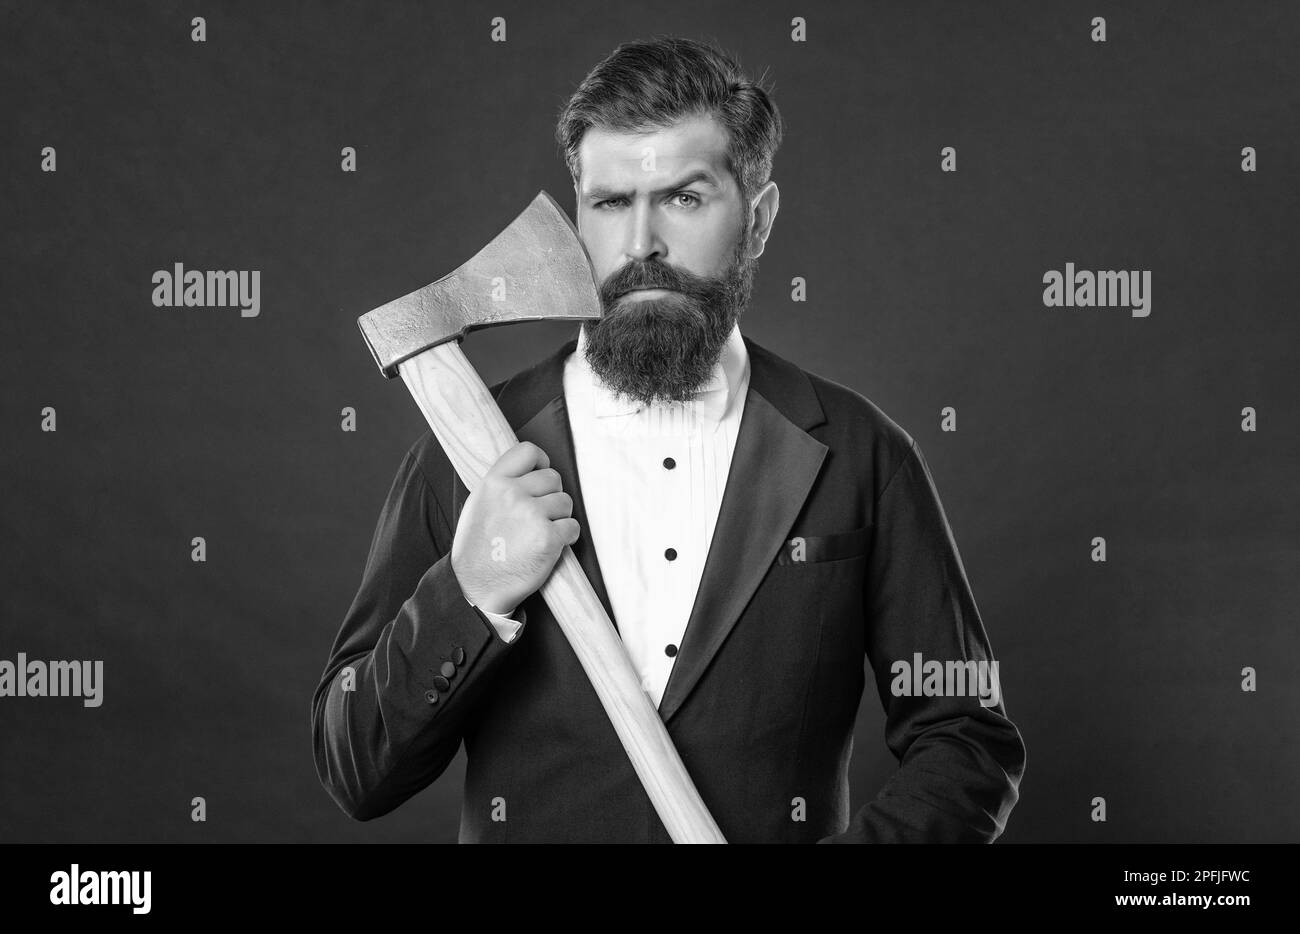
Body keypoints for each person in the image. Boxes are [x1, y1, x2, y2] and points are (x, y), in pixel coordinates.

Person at [311, 36, 1026, 843]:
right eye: (612, 203)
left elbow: (968, 739)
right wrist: (469, 591)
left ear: (757, 221)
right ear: (577, 217)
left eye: (685, 198)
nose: (642, 243)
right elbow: (354, 766)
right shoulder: (469, 456)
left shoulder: (865, 454)